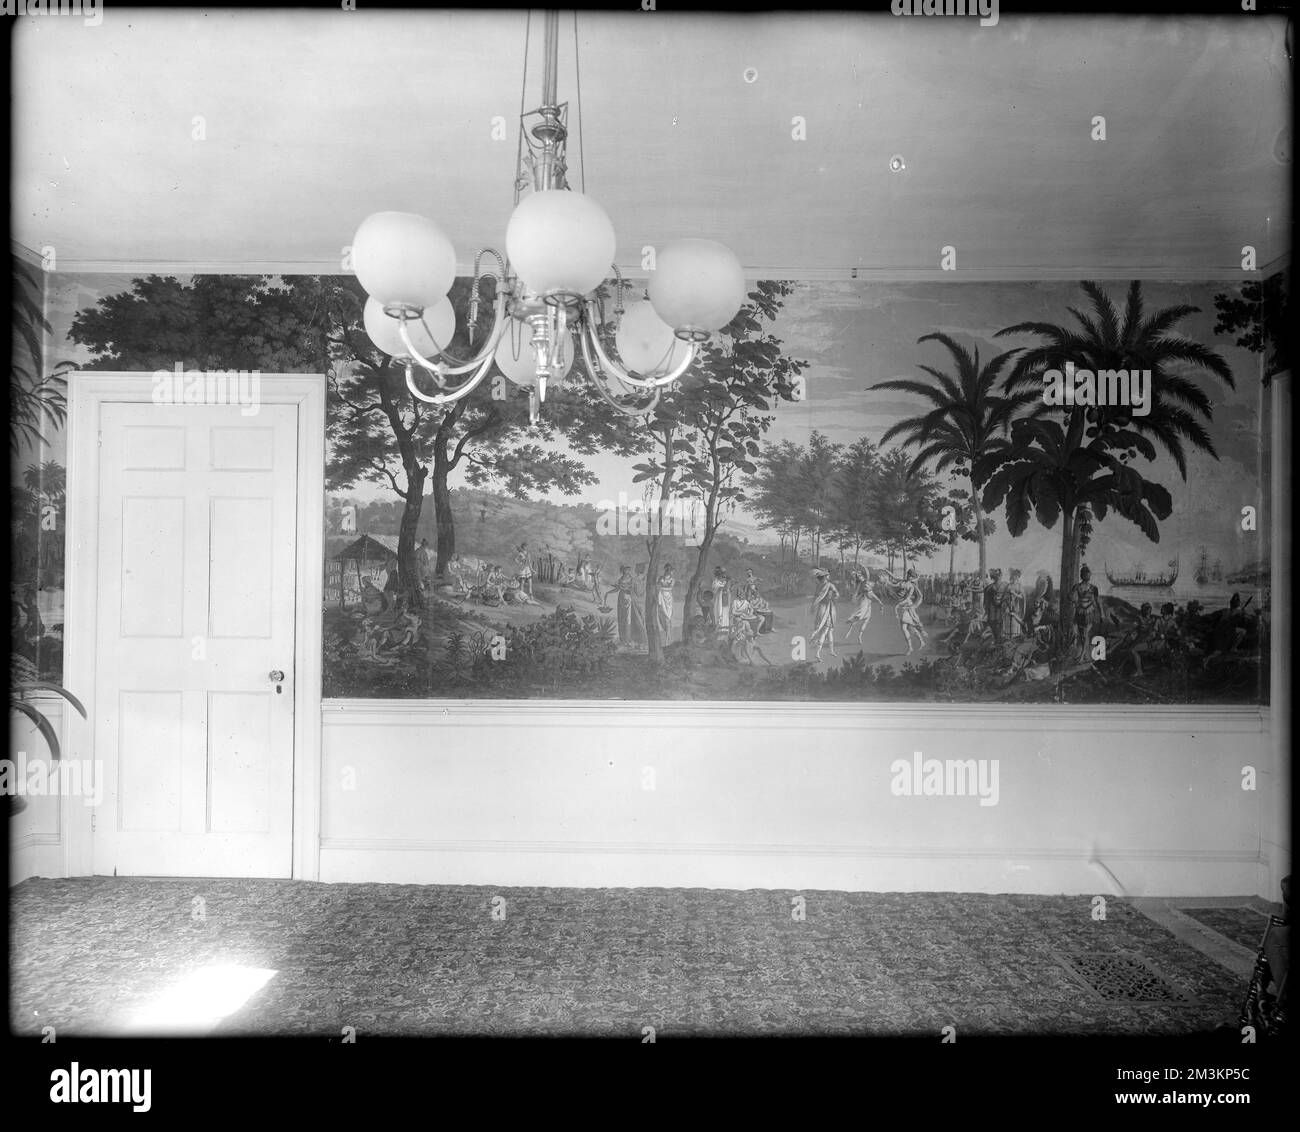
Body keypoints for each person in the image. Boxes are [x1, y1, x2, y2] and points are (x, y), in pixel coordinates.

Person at [1069, 565, 1103, 661]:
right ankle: (1084, 655)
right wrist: (1074, 601)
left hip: (1089, 614)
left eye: (1088, 574)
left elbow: (1098, 601)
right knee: (1081, 635)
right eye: (1085, 574)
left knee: (1084, 635)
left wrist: (1102, 614)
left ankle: (1082, 655)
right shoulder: (1077, 586)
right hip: (1079, 613)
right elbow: (1070, 597)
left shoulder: (1093, 588)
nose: (1088, 576)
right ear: (1082, 575)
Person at [842, 568, 885, 645]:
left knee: (865, 619)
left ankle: (858, 635)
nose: (861, 577)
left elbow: (870, 593)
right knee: (861, 617)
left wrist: (880, 603)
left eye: (860, 575)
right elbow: (868, 590)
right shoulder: (863, 583)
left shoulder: (863, 584)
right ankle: (853, 631)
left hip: (867, 602)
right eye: (859, 576)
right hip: (865, 601)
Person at [894, 567, 929, 655]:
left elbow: (909, 598)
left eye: (912, 577)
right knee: (909, 628)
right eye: (909, 576)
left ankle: (911, 647)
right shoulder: (903, 581)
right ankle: (916, 644)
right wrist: (886, 573)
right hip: (902, 606)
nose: (910, 577)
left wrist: (899, 605)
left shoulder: (912, 586)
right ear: (908, 575)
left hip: (907, 607)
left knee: (908, 627)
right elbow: (894, 578)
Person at [809, 568, 839, 661]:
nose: (829, 576)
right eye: (828, 575)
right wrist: (834, 596)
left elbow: (816, 597)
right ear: (825, 577)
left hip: (821, 608)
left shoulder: (819, 586)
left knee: (829, 631)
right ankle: (817, 653)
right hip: (828, 609)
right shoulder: (830, 585)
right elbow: (837, 594)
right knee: (826, 631)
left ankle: (831, 650)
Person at [614, 565, 637, 645]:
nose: (627, 572)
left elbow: (633, 588)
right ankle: (622, 638)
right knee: (621, 617)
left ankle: (628, 638)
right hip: (621, 597)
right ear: (623, 571)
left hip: (628, 597)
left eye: (628, 570)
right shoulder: (620, 579)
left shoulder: (631, 579)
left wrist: (625, 588)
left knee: (628, 618)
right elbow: (617, 588)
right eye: (626, 570)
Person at [655, 564, 675, 640]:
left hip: (668, 598)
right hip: (661, 597)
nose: (668, 571)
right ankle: (666, 633)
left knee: (668, 616)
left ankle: (668, 636)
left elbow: (670, 588)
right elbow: (657, 586)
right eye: (667, 570)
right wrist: (660, 588)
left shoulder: (672, 579)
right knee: (661, 615)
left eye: (670, 570)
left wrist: (661, 588)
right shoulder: (661, 578)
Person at [711, 566, 732, 634]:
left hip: (725, 600)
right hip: (719, 600)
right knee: (719, 613)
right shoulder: (715, 581)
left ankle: (725, 629)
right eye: (721, 574)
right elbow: (715, 590)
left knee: (725, 612)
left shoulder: (724, 581)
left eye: (723, 573)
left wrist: (730, 585)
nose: (723, 575)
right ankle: (718, 629)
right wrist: (724, 587)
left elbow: (728, 590)